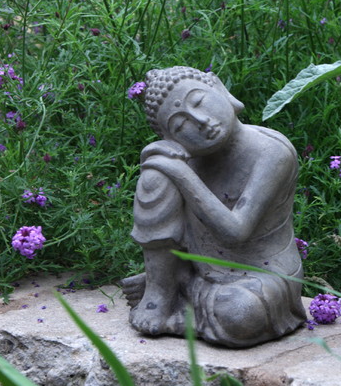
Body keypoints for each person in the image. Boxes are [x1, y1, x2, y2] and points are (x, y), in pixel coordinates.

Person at [122, 66, 305, 348]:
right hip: (202, 266)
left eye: (199, 102)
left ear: (220, 88)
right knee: (155, 175)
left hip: (262, 276)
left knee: (239, 314)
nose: (200, 121)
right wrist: (167, 167)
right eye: (180, 126)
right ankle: (161, 291)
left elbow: (235, 232)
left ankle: (181, 292)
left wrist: (181, 174)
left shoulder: (272, 151)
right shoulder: (188, 157)